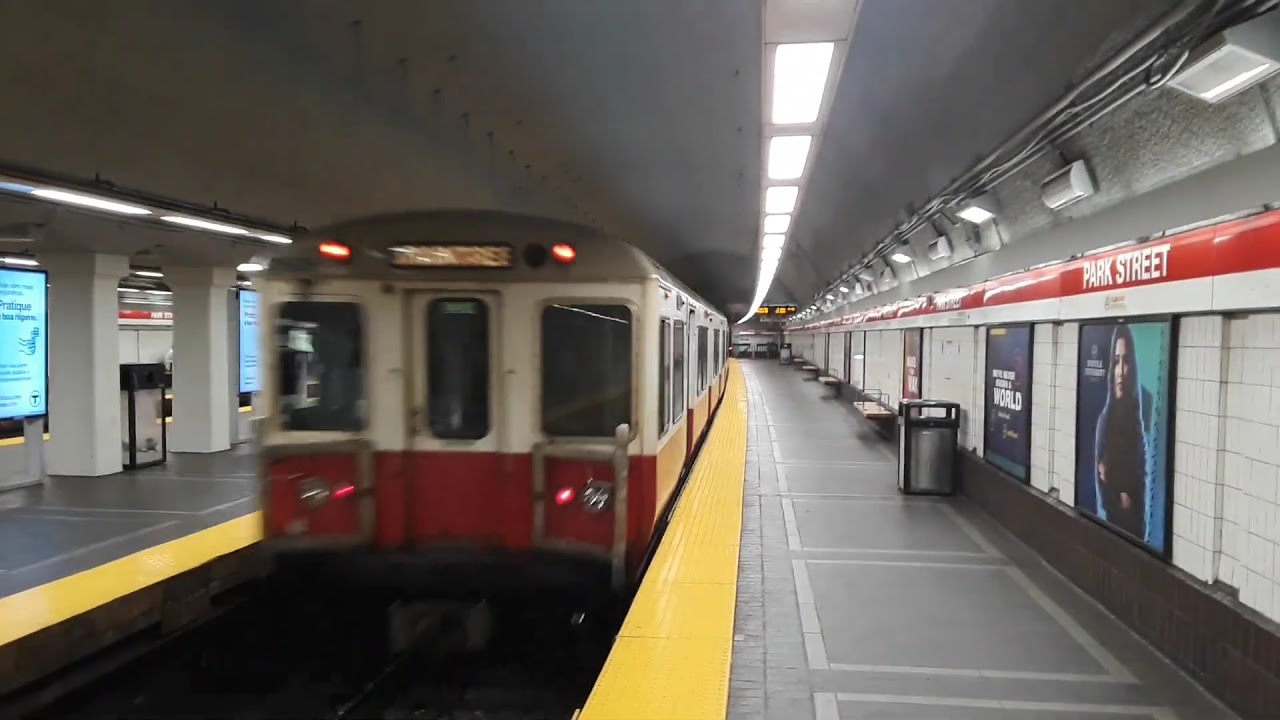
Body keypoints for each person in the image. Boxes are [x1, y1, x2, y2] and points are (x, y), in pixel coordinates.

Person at [1093, 325, 1151, 539]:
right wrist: (1120, 495)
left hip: (1136, 527)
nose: (1120, 371)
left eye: (1126, 361)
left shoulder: (1139, 417)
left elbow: (1141, 477)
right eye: (1116, 361)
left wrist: (1115, 478)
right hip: (1112, 523)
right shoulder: (1105, 421)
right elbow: (1101, 479)